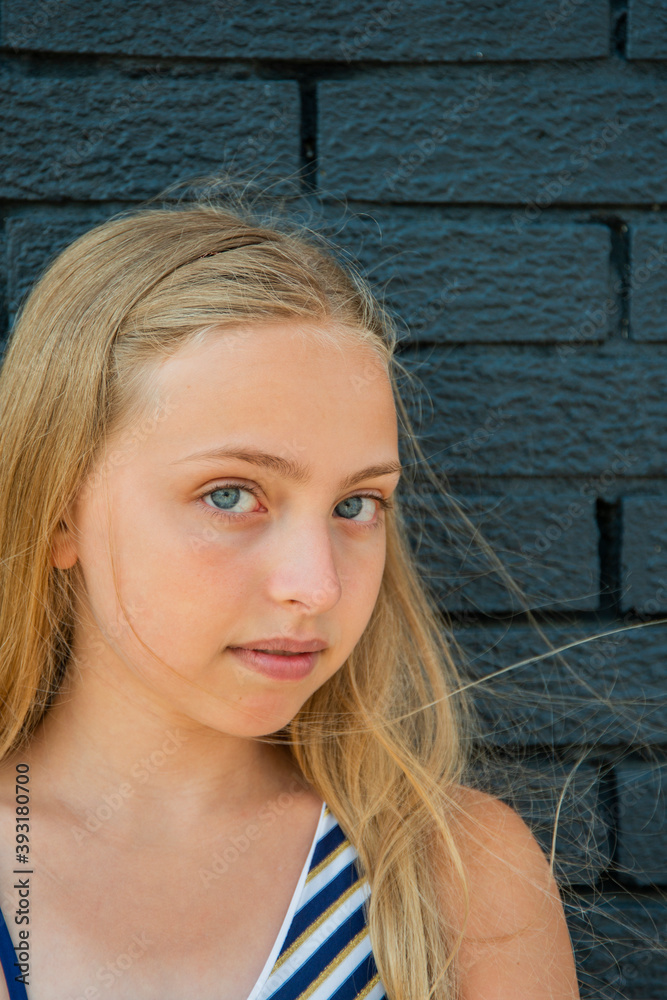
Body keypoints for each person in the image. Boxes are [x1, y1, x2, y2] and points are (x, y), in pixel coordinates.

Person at [0, 183, 581, 999]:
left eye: (356, 505)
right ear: (62, 512)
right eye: (230, 494)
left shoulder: (456, 878)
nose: (316, 586)